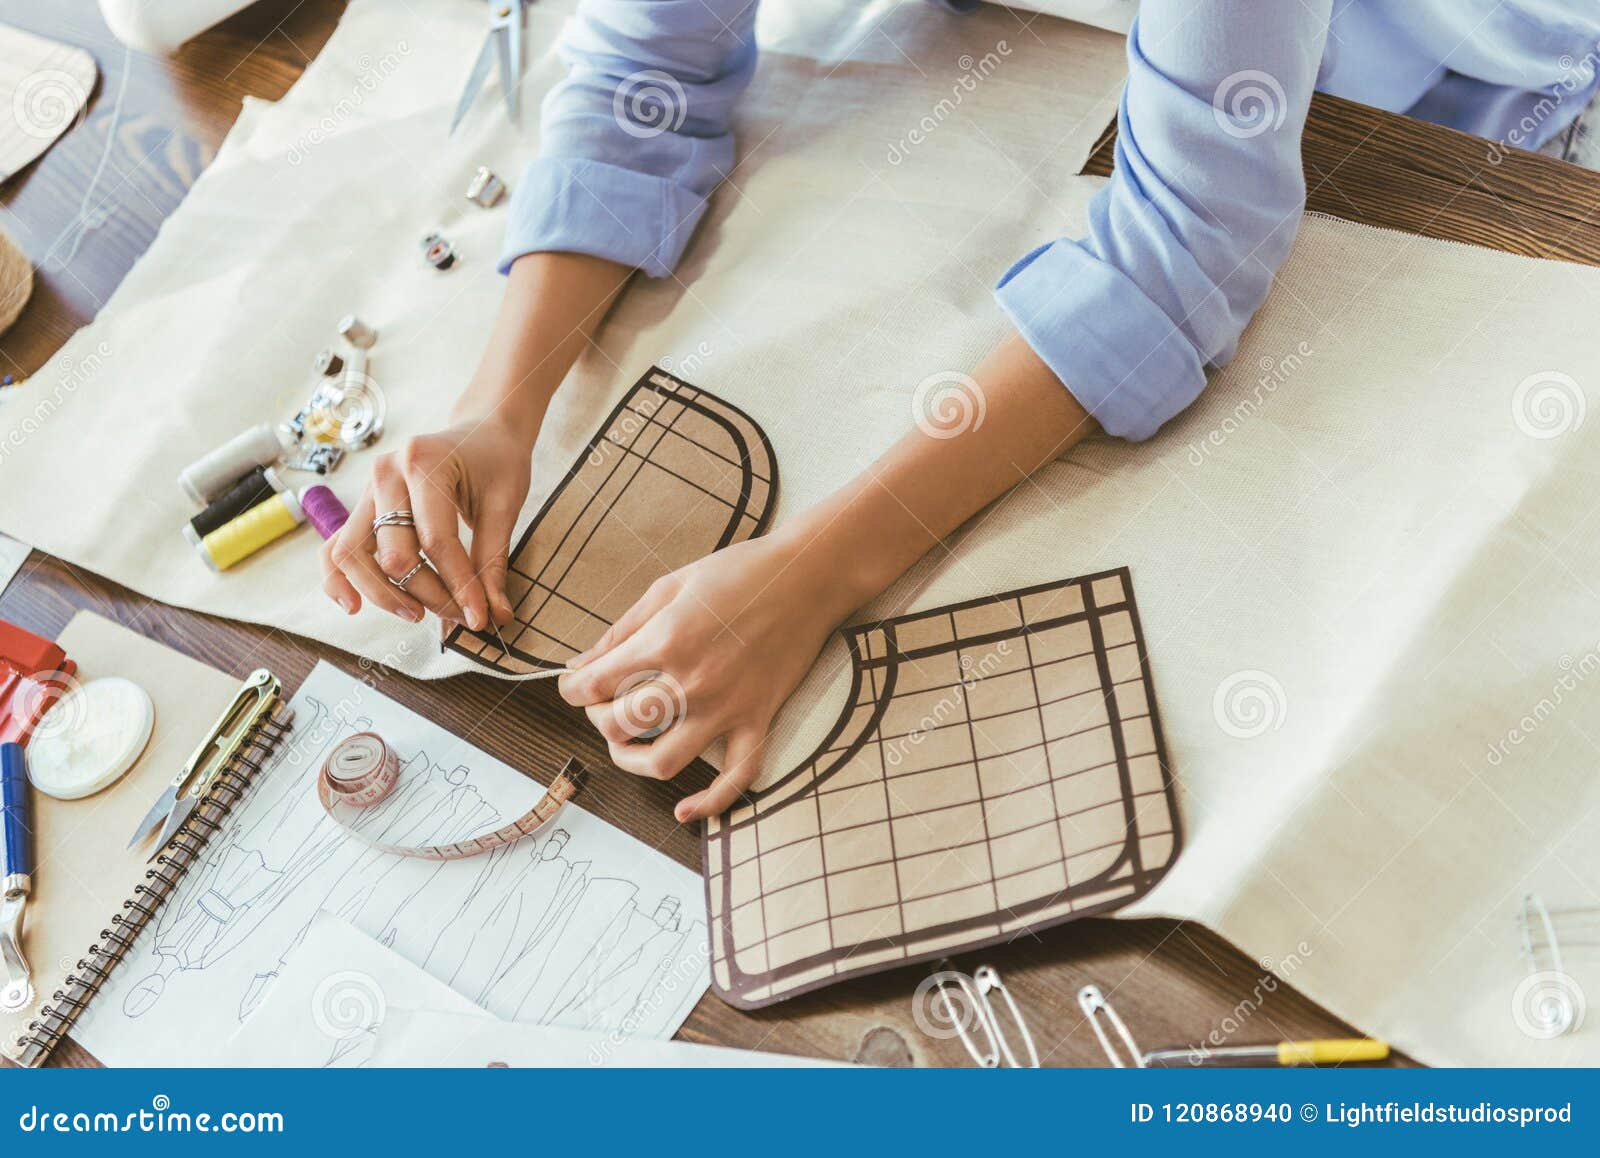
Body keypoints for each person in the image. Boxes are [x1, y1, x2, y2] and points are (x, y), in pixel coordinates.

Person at [322, 0, 1600, 822]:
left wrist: (812, 573)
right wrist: (501, 404)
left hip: (1431, 82)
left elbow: (1185, 242)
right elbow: (645, 68)